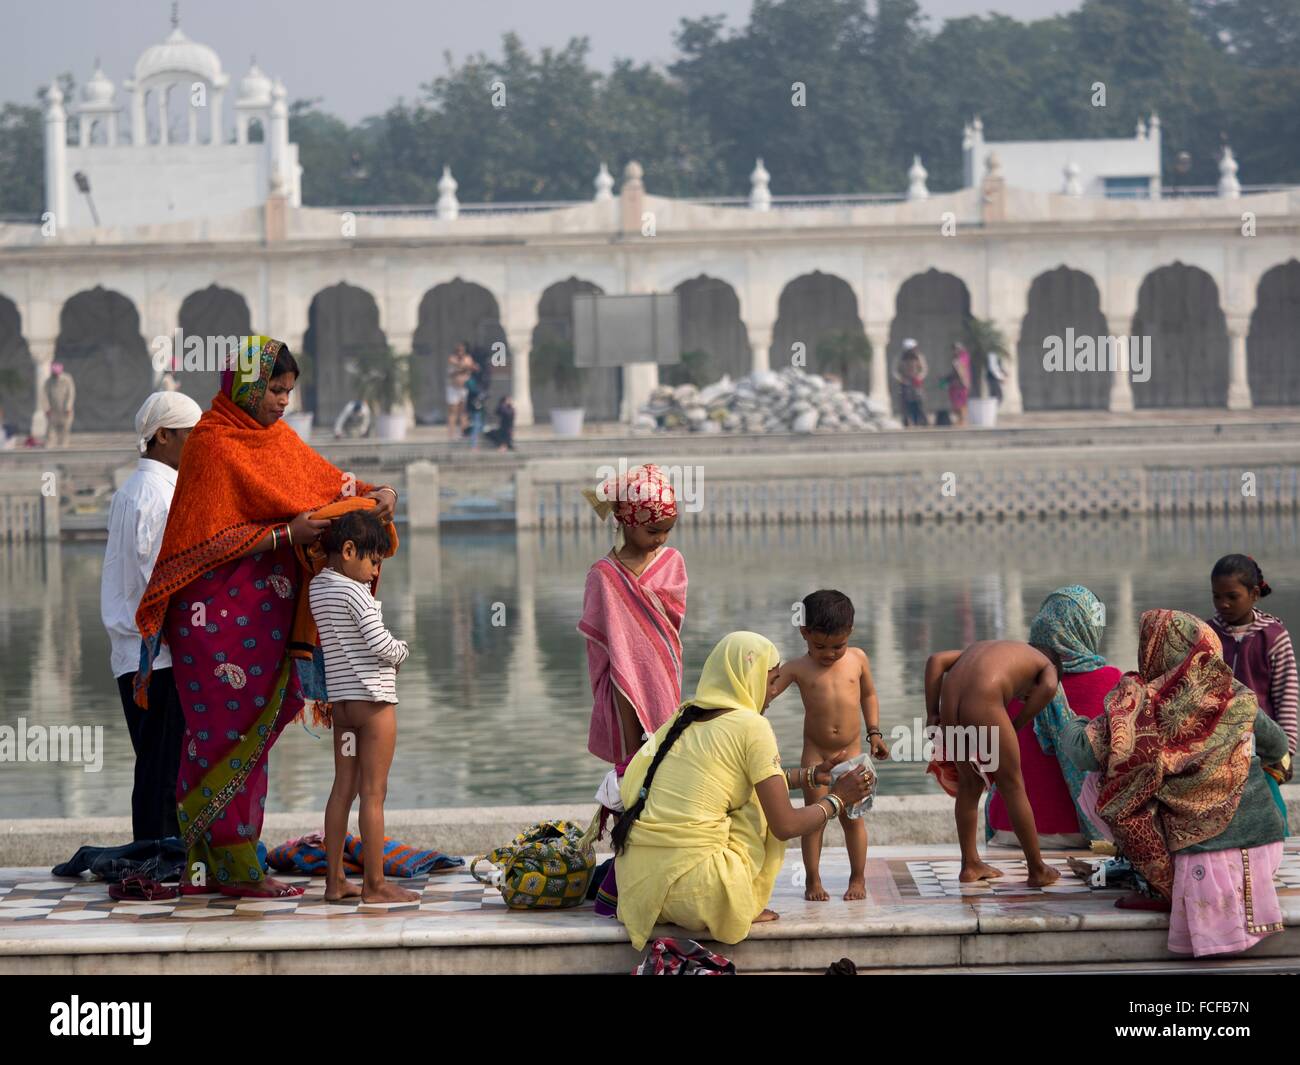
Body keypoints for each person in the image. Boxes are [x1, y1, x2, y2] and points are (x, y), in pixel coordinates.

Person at [134, 336, 399, 899]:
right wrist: (283, 534)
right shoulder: (211, 443)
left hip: (266, 618)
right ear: (248, 386)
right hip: (213, 622)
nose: (283, 402)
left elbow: (330, 484)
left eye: (288, 392)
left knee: (253, 737)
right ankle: (218, 869)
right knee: (217, 737)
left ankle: (227, 865)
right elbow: (198, 544)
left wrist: (376, 493)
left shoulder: (276, 441)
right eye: (275, 390)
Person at [613, 631, 873, 951]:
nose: (773, 692)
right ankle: (740, 904)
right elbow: (786, 825)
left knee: (752, 792)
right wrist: (839, 799)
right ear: (748, 677)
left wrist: (811, 776)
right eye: (771, 680)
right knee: (762, 806)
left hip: (641, 891)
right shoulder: (751, 726)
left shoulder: (686, 714)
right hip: (699, 895)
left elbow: (733, 776)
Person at [1057, 610, 1287, 957]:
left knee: (1102, 781)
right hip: (1265, 846)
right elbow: (1279, 748)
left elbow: (1081, 753)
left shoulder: (1139, 703)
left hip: (1197, 854)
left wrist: (1071, 716)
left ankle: (1160, 888)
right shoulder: (1235, 693)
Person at [101, 391, 203, 841]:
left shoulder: (135, 490)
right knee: (163, 770)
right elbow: (160, 583)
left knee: (156, 763)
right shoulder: (157, 498)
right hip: (155, 657)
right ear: (164, 436)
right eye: (191, 437)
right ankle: (156, 857)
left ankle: (155, 854)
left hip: (136, 653)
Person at [308, 509, 415, 904]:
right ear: (349, 551)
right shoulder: (356, 592)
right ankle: (375, 884)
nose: (374, 571)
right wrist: (404, 651)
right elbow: (381, 645)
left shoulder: (318, 586)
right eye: (373, 561)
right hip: (373, 706)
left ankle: (334, 881)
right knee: (373, 793)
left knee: (342, 791)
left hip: (343, 708)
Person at [771, 589, 888, 902]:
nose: (830, 654)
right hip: (816, 755)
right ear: (804, 633)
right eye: (820, 646)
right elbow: (766, 693)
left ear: (850, 633)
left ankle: (858, 878)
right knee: (815, 821)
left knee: (853, 820)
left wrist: (874, 732)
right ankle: (813, 880)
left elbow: (868, 695)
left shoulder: (858, 659)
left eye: (839, 646)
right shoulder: (797, 668)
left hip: (852, 755)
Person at [987, 586, 1123, 847]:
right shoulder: (1112, 682)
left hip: (1010, 830)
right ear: (1087, 629)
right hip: (1086, 833)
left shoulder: (1009, 683)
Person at [924, 640, 1063, 886]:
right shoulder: (1046, 667)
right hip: (983, 701)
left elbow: (936, 660)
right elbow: (1050, 686)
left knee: (969, 785)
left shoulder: (991, 650)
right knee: (1012, 785)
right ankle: (1037, 869)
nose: (1022, 698)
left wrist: (933, 712)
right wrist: (1017, 723)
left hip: (949, 706)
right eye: (1025, 695)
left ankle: (970, 864)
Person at [579, 463, 687, 766]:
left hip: (662, 668)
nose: (661, 539)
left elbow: (672, 617)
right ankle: (626, 797)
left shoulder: (671, 561)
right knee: (632, 752)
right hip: (621, 674)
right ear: (625, 521)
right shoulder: (603, 574)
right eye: (653, 530)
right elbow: (598, 637)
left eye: (668, 530)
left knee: (665, 748)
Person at [1208, 554, 1296, 767]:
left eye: (1232, 597)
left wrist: (1287, 750)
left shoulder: (1273, 637)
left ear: (1254, 594)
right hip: (1215, 744)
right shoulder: (1206, 635)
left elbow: (1286, 695)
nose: (1223, 604)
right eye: (1217, 597)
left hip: (1262, 746)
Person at [893, 339, 928, 427]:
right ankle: (907, 422)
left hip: (916, 384)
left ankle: (920, 421)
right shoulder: (900, 358)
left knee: (919, 403)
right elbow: (895, 371)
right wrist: (901, 379)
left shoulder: (919, 357)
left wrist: (919, 377)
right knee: (905, 404)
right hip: (905, 384)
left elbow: (924, 369)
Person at [445, 342, 474, 440]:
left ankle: (464, 433)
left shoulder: (468, 358)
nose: (460, 353)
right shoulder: (452, 358)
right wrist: (463, 367)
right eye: (458, 351)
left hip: (464, 388)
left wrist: (463, 367)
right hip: (453, 388)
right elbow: (459, 367)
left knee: (463, 412)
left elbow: (470, 367)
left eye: (461, 350)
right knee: (453, 411)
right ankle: (451, 434)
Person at [43, 362, 75, 446]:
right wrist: (47, 408)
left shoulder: (67, 379)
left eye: (57, 373)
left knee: (65, 429)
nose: (56, 375)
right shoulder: (48, 381)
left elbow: (71, 393)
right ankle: (49, 449)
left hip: (65, 409)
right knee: (51, 430)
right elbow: (45, 395)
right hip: (53, 410)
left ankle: (63, 448)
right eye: (54, 373)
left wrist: (68, 406)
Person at [946, 343, 971, 426]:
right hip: (957, 384)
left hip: (959, 385)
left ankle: (962, 421)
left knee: (960, 403)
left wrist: (964, 381)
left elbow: (960, 371)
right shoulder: (962, 358)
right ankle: (961, 420)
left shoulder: (960, 359)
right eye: (953, 349)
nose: (954, 351)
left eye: (956, 349)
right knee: (958, 403)